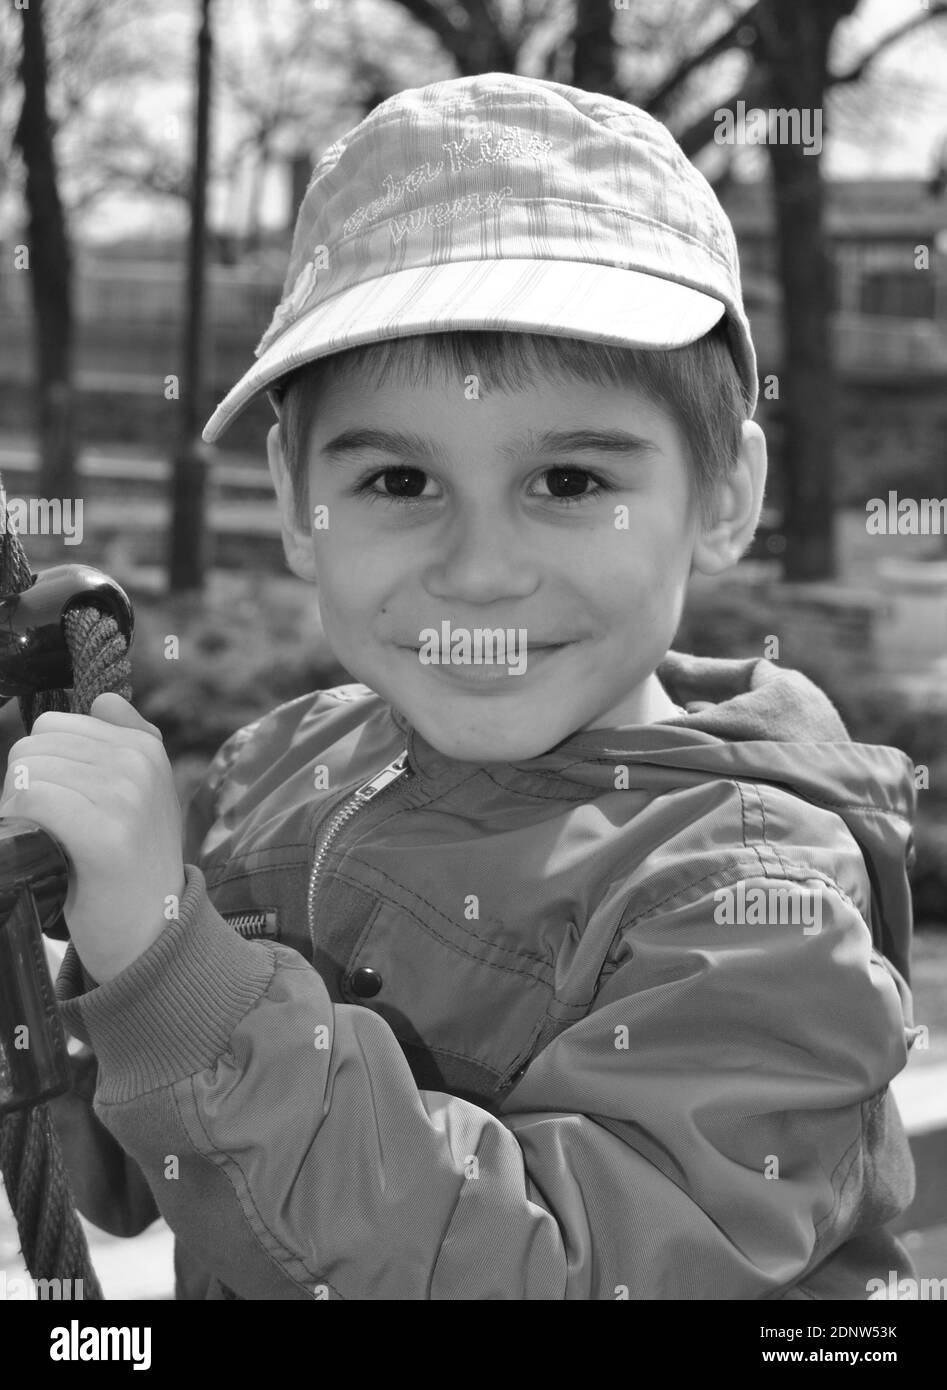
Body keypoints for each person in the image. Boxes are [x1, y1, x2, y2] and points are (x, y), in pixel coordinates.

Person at [9, 73, 920, 1300]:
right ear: (296, 502)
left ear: (723, 498)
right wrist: (80, 938)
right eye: (396, 481)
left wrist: (170, 966)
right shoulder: (280, 775)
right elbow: (129, 1171)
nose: (480, 573)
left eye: (569, 481)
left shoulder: (749, 907)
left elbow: (554, 1274)